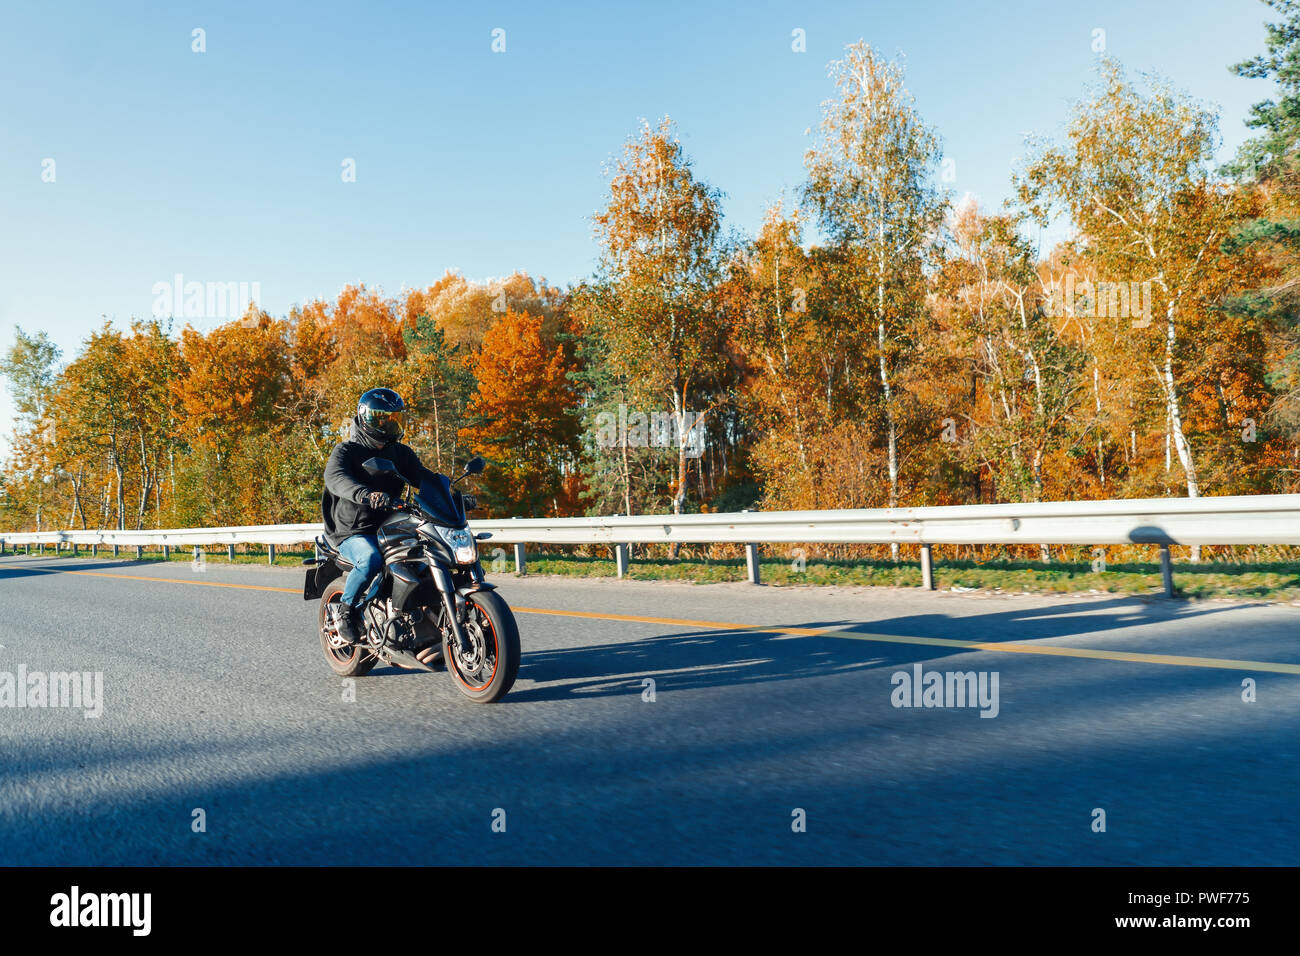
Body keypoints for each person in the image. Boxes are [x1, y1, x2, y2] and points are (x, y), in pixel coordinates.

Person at [321, 388, 439, 643]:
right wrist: (366, 494)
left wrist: (451, 492)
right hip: (352, 530)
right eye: (381, 417)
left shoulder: (400, 453)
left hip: (390, 524)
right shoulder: (346, 451)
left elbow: (422, 476)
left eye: (394, 417)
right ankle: (346, 612)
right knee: (371, 559)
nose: (388, 423)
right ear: (365, 418)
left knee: (428, 553)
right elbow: (336, 480)